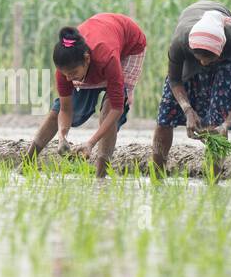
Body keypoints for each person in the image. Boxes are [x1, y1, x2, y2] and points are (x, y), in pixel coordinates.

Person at [27, 13, 147, 178]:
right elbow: (65, 109)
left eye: (73, 73)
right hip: (101, 39)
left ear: (87, 59)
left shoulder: (107, 58)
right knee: (56, 112)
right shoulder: (65, 70)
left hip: (130, 46)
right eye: (65, 74)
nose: (69, 78)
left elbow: (117, 110)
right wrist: (62, 136)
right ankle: (26, 162)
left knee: (108, 111)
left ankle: (101, 176)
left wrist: (90, 143)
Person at [152, 1, 231, 171]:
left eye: (208, 60)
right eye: (199, 59)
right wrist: (187, 109)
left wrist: (226, 124)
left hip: (225, 58)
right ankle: (157, 177)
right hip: (190, 48)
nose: (203, 64)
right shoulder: (180, 41)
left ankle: (213, 184)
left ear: (219, 53)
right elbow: (175, 80)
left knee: (216, 122)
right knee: (164, 117)